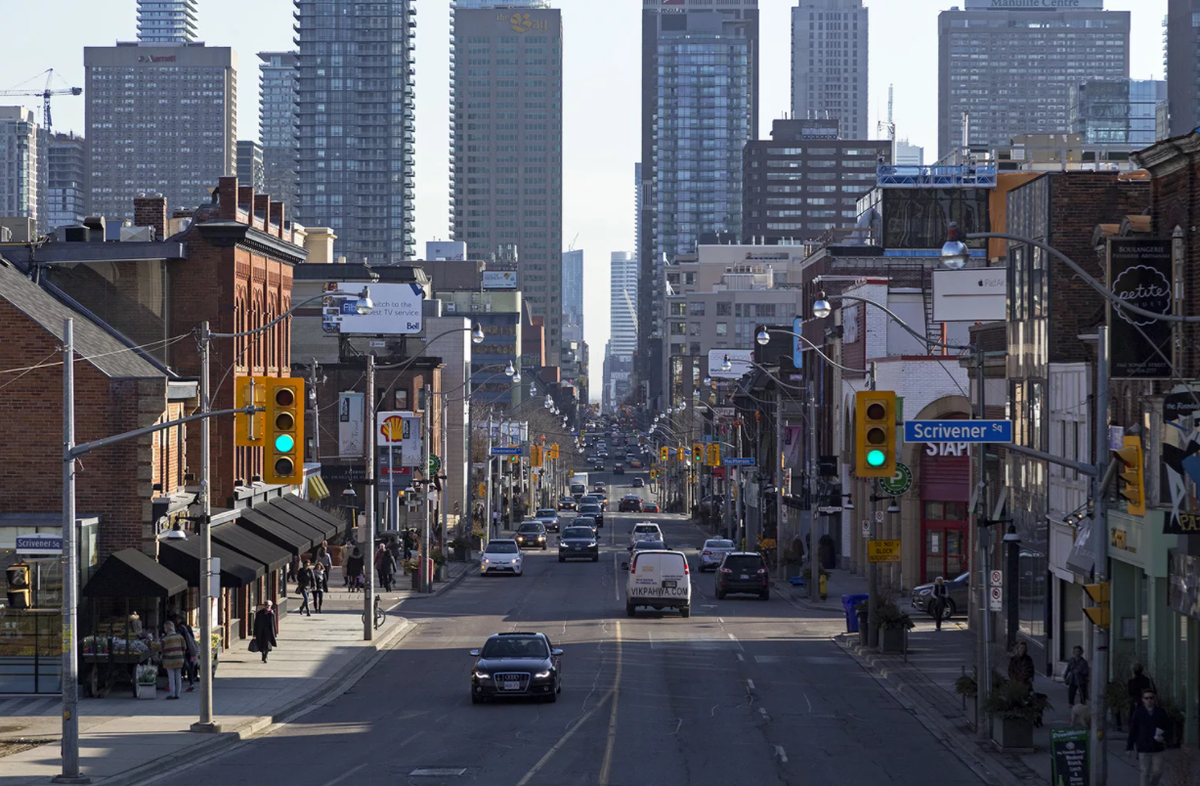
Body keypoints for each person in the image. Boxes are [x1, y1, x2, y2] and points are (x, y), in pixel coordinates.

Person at [1126, 689, 1170, 786]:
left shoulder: (1160, 712)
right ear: (1143, 700)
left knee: (1157, 772)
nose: (1149, 700)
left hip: (1157, 747)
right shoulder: (1138, 713)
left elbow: (1168, 727)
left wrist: (1164, 738)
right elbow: (1133, 730)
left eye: (1151, 698)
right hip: (1143, 746)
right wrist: (1129, 747)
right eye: (1146, 698)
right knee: (1144, 772)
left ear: (1154, 699)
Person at [173, 614, 200, 692]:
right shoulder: (188, 627)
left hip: (184, 650)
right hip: (190, 650)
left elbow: (179, 639)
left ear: (180, 619)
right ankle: (191, 682)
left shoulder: (180, 628)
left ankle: (180, 683)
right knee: (190, 666)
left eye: (178, 619)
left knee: (183, 666)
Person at [160, 621, 186, 699]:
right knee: (178, 676)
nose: (164, 629)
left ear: (167, 629)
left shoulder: (165, 639)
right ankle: (178, 694)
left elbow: (160, 648)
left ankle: (172, 694)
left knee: (171, 678)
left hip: (169, 660)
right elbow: (184, 647)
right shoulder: (180, 637)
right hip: (179, 659)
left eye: (165, 628)